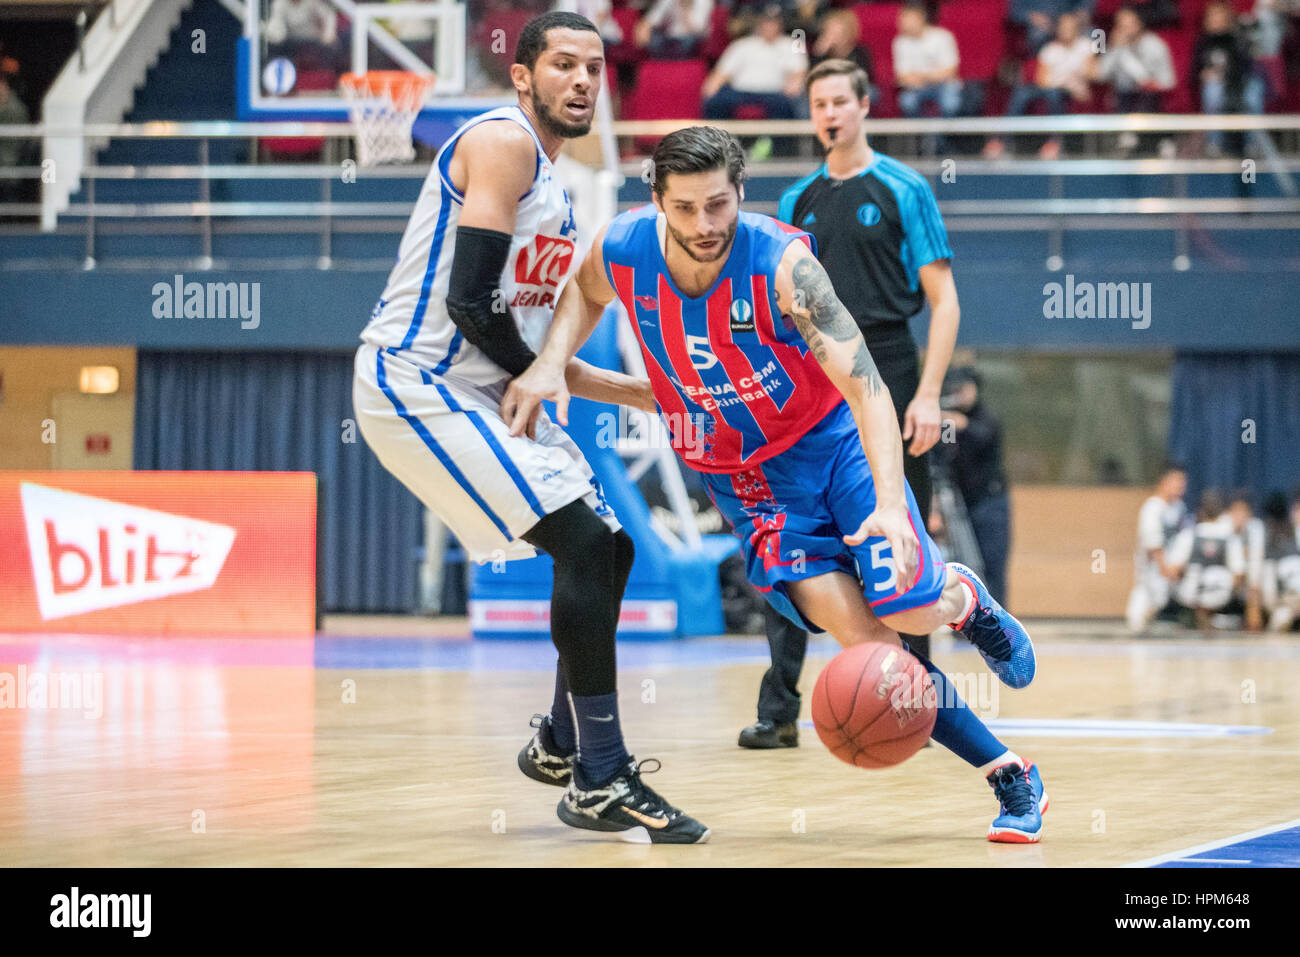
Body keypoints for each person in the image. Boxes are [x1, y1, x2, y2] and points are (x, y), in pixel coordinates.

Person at [506, 125, 1049, 843]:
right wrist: (553, 363)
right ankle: (1010, 773)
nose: (706, 225)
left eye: (720, 205)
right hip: (749, 484)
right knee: (866, 643)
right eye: (688, 208)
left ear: (741, 193)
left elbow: (868, 391)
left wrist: (891, 501)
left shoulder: (784, 264)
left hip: (833, 447)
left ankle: (962, 598)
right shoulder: (623, 247)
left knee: (910, 607)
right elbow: (583, 294)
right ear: (658, 202)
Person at [352, 11, 709, 845]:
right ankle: (602, 774)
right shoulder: (503, 144)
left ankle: (560, 742)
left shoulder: (556, 196)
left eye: (595, 68)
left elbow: (553, 367)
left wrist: (650, 395)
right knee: (582, 544)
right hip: (418, 381)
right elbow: (470, 306)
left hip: (481, 384)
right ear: (523, 77)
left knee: (612, 545)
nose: (584, 81)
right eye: (564, 66)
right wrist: (535, 374)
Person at [735, 58, 962, 751]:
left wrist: (926, 394)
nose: (830, 113)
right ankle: (778, 711)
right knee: (793, 537)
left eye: (841, 100)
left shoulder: (904, 187)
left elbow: (945, 299)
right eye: (819, 103)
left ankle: (915, 704)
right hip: (809, 374)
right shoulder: (796, 198)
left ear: (865, 106)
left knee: (900, 545)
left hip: (887, 366)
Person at [934, 367, 1011, 606]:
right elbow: (944, 455)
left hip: (990, 501)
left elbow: (985, 437)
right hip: (961, 502)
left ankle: (998, 620)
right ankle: (967, 617)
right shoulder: (949, 421)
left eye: (964, 388)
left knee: (992, 562)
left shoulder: (985, 418)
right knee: (963, 564)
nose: (960, 394)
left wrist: (961, 423)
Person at [984, 12, 1096, 160]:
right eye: (1063, 27)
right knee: (1022, 93)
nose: (1066, 30)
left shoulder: (1086, 46)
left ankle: (1055, 142)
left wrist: (1069, 83)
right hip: (1053, 87)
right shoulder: (1049, 49)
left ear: (1076, 28)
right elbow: (1042, 80)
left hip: (1075, 90)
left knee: (1054, 94)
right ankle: (1002, 140)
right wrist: (1065, 81)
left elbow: (1090, 73)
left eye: (1070, 27)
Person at [702, 5, 808, 122]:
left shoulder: (791, 44)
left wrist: (794, 83)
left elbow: (799, 71)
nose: (770, 26)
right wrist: (712, 86)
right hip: (741, 92)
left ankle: (780, 141)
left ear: (780, 24)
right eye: (766, 22)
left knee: (786, 105)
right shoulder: (742, 44)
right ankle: (718, 139)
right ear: (760, 23)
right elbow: (723, 71)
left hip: (775, 93)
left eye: (774, 22)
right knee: (715, 102)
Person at [1194, 1, 1267, 157]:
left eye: (1220, 16)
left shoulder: (1238, 38)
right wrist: (1205, 73)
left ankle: (1252, 144)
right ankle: (1214, 144)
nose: (1216, 20)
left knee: (1253, 92)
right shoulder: (1203, 42)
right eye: (1213, 16)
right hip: (1216, 85)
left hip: (1239, 81)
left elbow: (1247, 65)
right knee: (1213, 91)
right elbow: (1195, 71)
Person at [1166, 490, 1247, 630]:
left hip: (1191, 597)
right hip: (1221, 598)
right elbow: (1238, 575)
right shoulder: (1230, 538)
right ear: (1223, 513)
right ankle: (1213, 618)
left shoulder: (1188, 535)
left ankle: (1204, 617)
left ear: (1201, 513)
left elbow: (1172, 570)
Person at [1124, 463, 1189, 633]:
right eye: (1177, 481)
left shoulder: (1179, 508)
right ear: (1164, 482)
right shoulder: (1152, 507)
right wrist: (1163, 567)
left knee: (1163, 601)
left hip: (1171, 566)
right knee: (1146, 597)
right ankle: (1136, 629)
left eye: (1183, 482)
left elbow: (1184, 538)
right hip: (1153, 566)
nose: (1181, 486)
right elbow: (1152, 542)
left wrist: (1177, 565)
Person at [893, 2, 963, 130]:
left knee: (951, 101)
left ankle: (942, 140)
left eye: (905, 18)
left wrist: (921, 76)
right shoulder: (900, 42)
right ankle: (918, 139)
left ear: (920, 18)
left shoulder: (943, 36)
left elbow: (950, 71)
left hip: (943, 86)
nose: (900, 22)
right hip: (917, 88)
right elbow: (902, 77)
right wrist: (933, 75)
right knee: (907, 100)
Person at [636, 0, 713, 60]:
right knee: (654, 39)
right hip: (670, 39)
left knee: (687, 42)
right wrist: (644, 27)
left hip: (693, 39)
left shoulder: (704, 1)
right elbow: (653, 17)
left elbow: (698, 29)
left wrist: (686, 8)